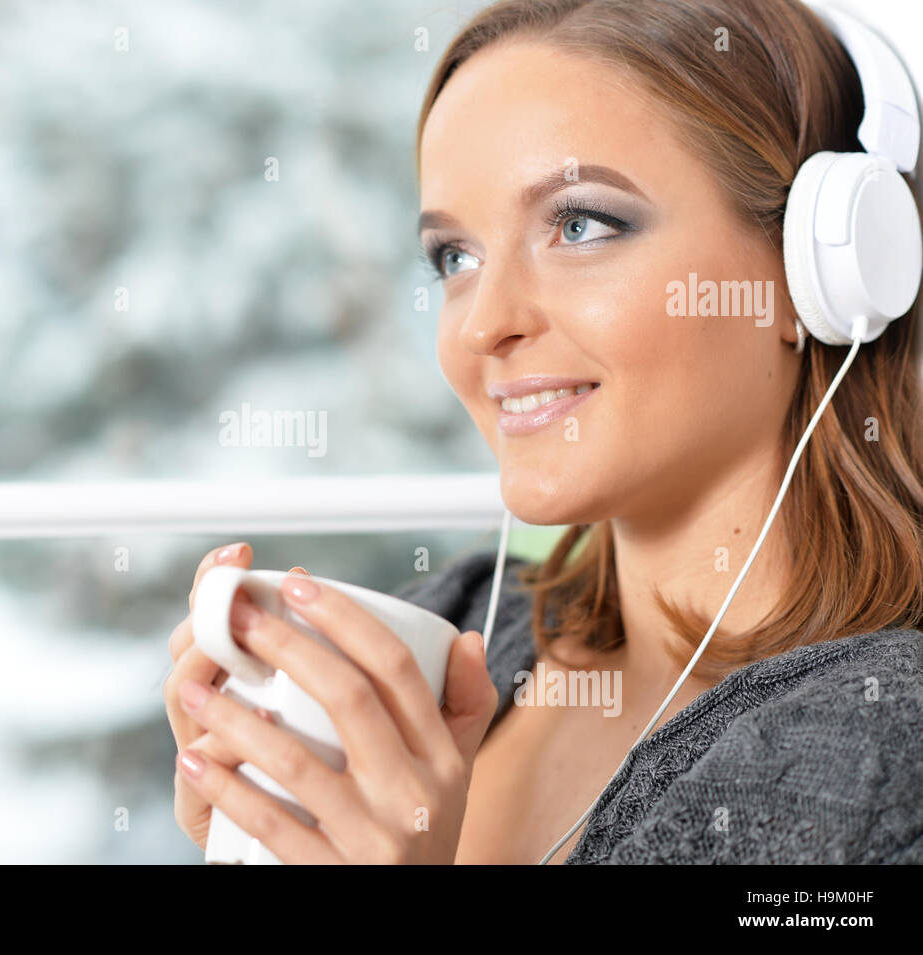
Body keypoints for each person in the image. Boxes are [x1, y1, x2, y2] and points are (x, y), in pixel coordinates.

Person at [163, 0, 923, 863]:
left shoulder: (883, 752)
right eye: (455, 257)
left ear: (808, 273)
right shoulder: (454, 628)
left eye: (580, 224)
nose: (483, 324)